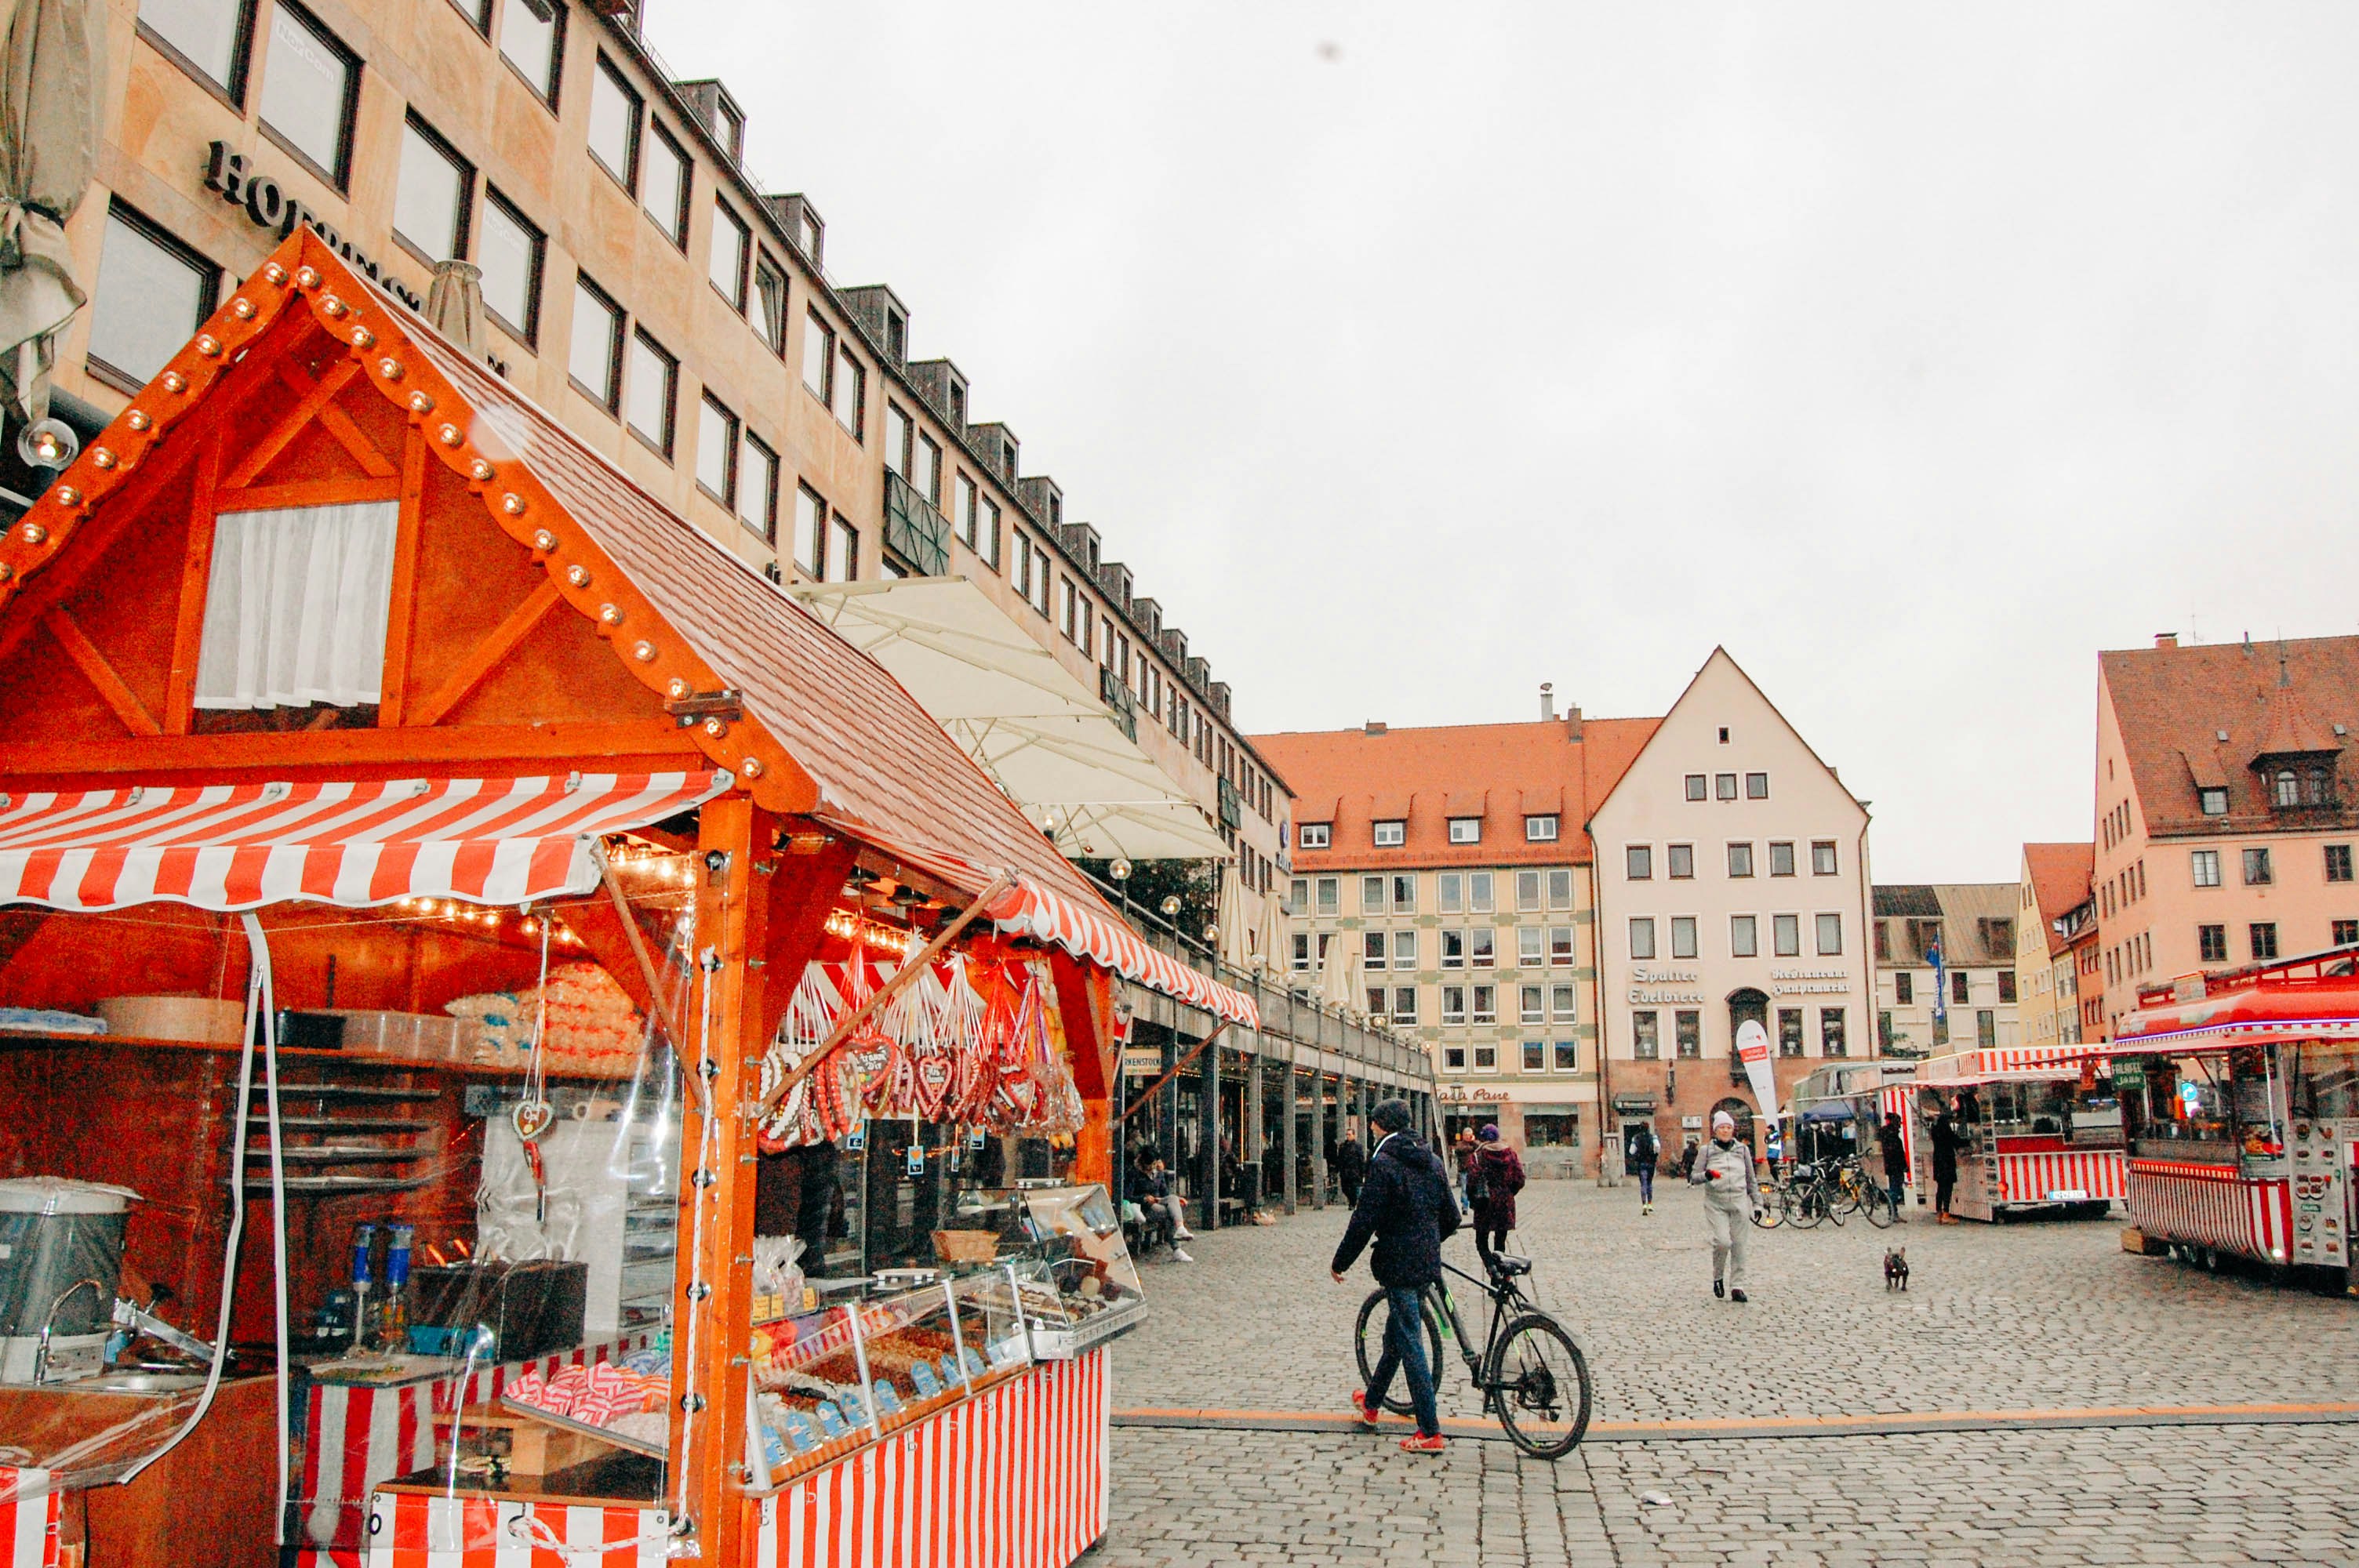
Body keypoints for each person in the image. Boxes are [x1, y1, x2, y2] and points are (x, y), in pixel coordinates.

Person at [1332, 1098, 1459, 1453]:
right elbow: (1450, 1216)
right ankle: (1372, 1404)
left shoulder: (1384, 1164)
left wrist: (1340, 1262)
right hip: (1425, 1264)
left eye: (1373, 1123)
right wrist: (1429, 1241)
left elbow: (1364, 1220)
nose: (1370, 1128)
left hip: (1399, 1264)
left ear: (1383, 1126)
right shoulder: (1432, 1160)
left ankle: (1430, 1430)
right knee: (1396, 1337)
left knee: (1410, 1340)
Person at [1688, 1111, 1761, 1302]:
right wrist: (1707, 1175)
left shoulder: (1742, 1150)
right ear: (1715, 1130)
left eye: (1728, 1127)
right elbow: (1694, 1177)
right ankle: (1718, 1276)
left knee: (1739, 1245)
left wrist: (1758, 1203)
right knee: (1722, 1242)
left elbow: (1751, 1178)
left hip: (1739, 1200)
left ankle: (1737, 1286)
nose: (1726, 1131)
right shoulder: (1707, 1150)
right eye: (1722, 1128)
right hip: (1716, 1201)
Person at [1468, 1125, 1526, 1270]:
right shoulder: (1510, 1154)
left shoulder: (1478, 1156)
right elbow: (1520, 1178)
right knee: (1500, 1244)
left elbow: (1472, 1182)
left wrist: (1473, 1201)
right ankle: (1502, 1277)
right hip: (1505, 1202)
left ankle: (1492, 1271)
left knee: (1481, 1243)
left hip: (1485, 1202)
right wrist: (1509, 1192)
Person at [1141, 1156, 1196, 1258]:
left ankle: (1180, 1230)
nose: (1154, 1167)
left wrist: (1177, 1198)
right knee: (1171, 1213)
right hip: (1145, 1207)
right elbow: (1128, 1195)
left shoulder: (1159, 1174)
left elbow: (1165, 1193)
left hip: (1158, 1202)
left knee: (1173, 1200)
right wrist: (1144, 1198)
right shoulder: (1137, 1174)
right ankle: (1177, 1246)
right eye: (1152, 1164)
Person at [1930, 1099, 1963, 1224]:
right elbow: (1956, 1141)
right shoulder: (1946, 1131)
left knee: (1940, 1188)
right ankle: (1946, 1213)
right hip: (1947, 1161)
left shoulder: (1935, 1130)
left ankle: (1938, 1213)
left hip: (1938, 1161)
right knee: (1947, 1188)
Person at [1877, 1112, 1909, 1223]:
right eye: (1899, 1123)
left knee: (1894, 1189)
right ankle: (1893, 1212)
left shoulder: (1887, 1135)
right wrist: (1904, 1165)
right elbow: (1898, 1153)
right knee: (1895, 1190)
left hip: (1891, 1166)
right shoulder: (1892, 1136)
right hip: (1896, 1166)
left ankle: (1893, 1212)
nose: (1900, 1126)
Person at [1334, 1123, 1368, 1207]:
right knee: (1345, 1188)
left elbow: (1361, 1159)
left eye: (1349, 1134)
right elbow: (1339, 1158)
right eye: (1347, 1135)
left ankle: (1352, 1203)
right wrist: (1337, 1169)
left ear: (1353, 1135)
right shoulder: (1343, 1146)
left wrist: (1362, 1171)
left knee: (1353, 1188)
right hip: (1345, 1171)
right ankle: (1352, 1201)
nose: (1348, 1136)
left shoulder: (1357, 1146)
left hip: (1354, 1171)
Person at [1630, 1123, 1662, 1215]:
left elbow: (1631, 1151)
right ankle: (1650, 1204)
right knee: (1649, 1183)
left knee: (1643, 1184)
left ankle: (1644, 1204)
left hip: (1641, 1163)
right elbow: (1657, 1147)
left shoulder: (1636, 1138)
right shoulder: (1653, 1137)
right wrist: (1655, 1153)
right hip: (1651, 1162)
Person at [1452, 1127, 1478, 1217]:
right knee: (1464, 1189)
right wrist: (1471, 1147)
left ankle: (1474, 1205)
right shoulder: (1460, 1144)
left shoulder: (1474, 1143)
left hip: (1473, 1170)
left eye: (1469, 1135)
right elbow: (1461, 1150)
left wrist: (1473, 1142)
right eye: (1466, 1135)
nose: (1468, 1137)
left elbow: (1479, 1147)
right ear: (1463, 1136)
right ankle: (1465, 1207)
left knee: (1474, 1188)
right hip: (1464, 1170)